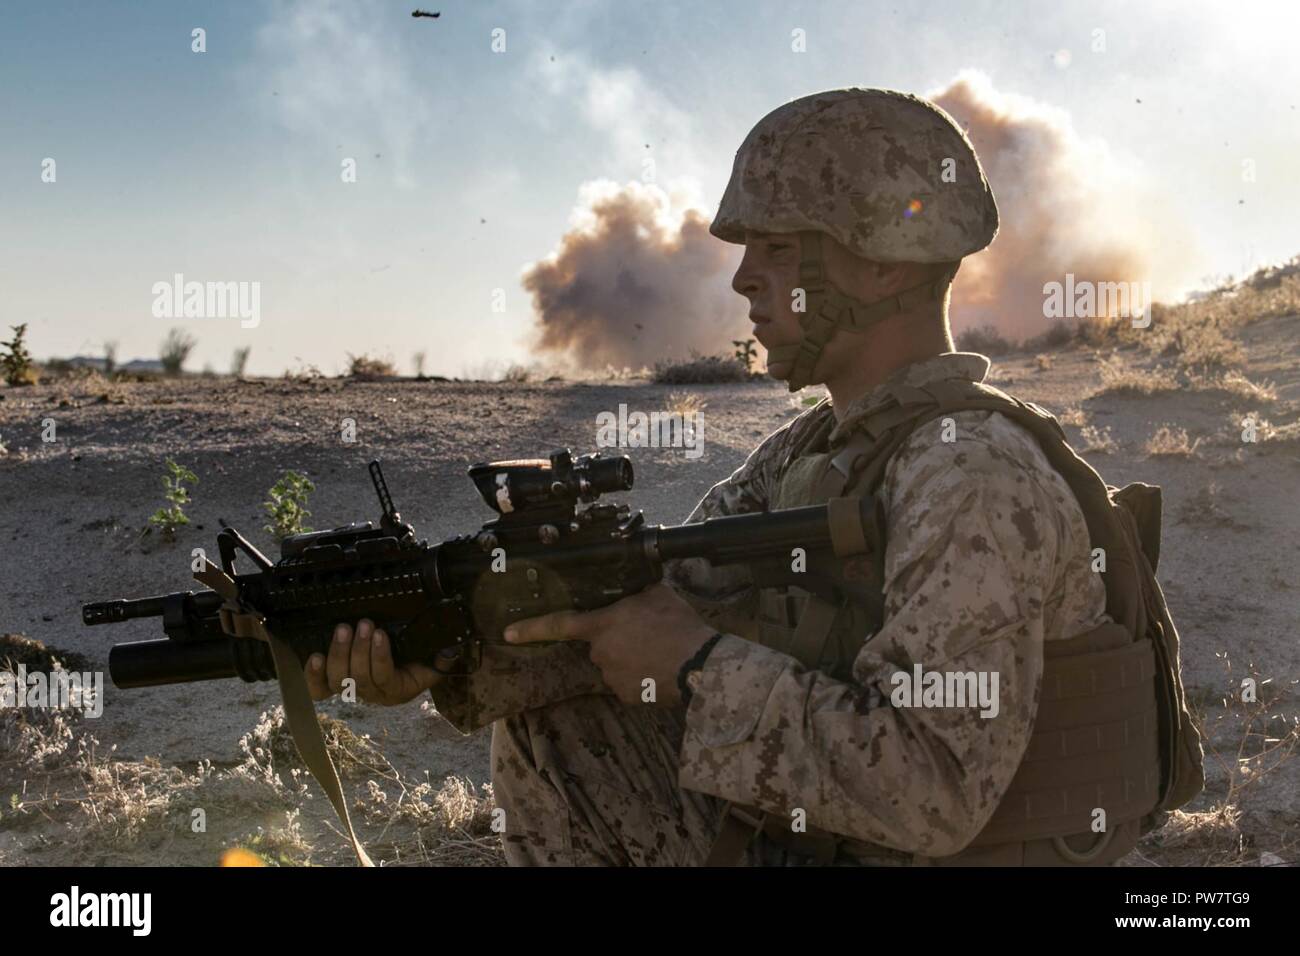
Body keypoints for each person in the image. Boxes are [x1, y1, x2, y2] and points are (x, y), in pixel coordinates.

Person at [304, 88, 1193, 866]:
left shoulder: (972, 474)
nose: (741, 280)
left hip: (945, 849)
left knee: (577, 742)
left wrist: (695, 663)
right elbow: (647, 609)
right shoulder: (821, 449)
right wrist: (435, 658)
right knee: (558, 725)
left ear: (879, 258)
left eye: (774, 248)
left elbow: (933, 786)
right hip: (872, 841)